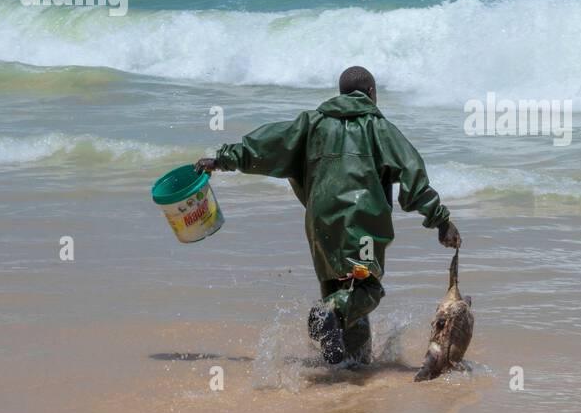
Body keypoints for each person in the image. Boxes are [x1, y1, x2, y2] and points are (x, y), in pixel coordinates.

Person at [195, 66, 460, 366]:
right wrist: (441, 221)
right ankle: (326, 316)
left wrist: (221, 159)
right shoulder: (378, 127)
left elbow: (267, 147)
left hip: (320, 224)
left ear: (341, 94)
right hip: (361, 226)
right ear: (372, 94)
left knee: (341, 289)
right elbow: (414, 179)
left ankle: (347, 366)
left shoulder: (312, 123)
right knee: (366, 288)